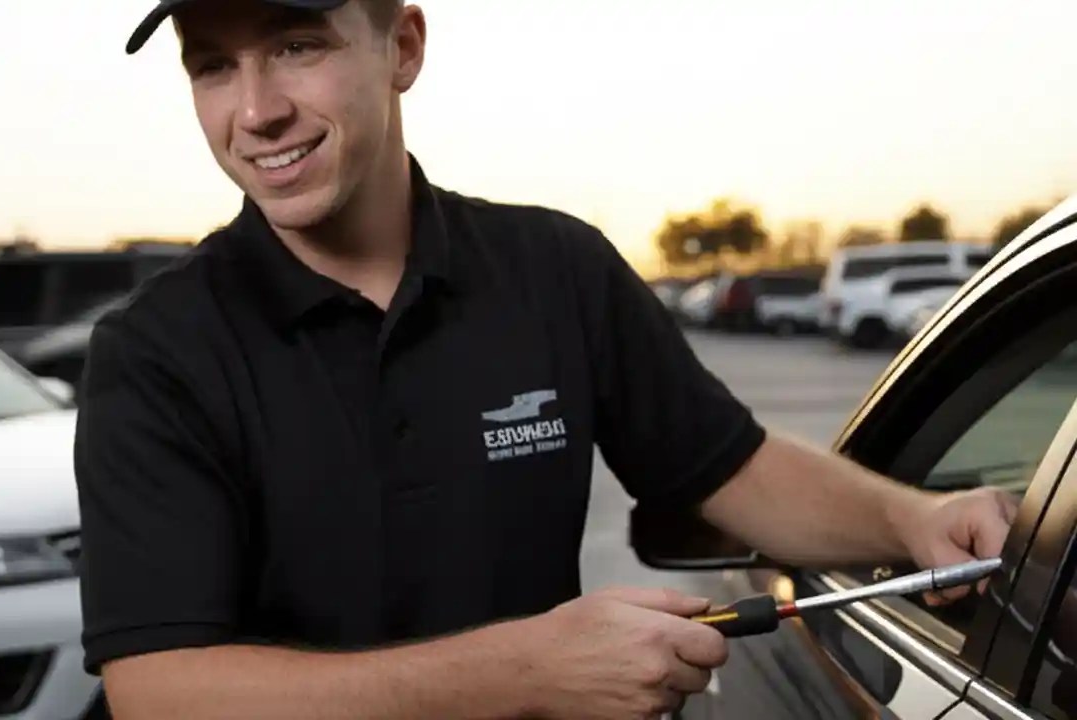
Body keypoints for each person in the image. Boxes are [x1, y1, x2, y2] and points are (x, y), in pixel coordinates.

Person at [73, 1, 1018, 717]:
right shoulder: (155, 352)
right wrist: (527, 671)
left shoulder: (555, 269)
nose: (256, 111)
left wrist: (916, 519)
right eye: (212, 66)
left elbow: (727, 468)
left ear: (403, 47)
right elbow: (160, 690)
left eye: (295, 45)